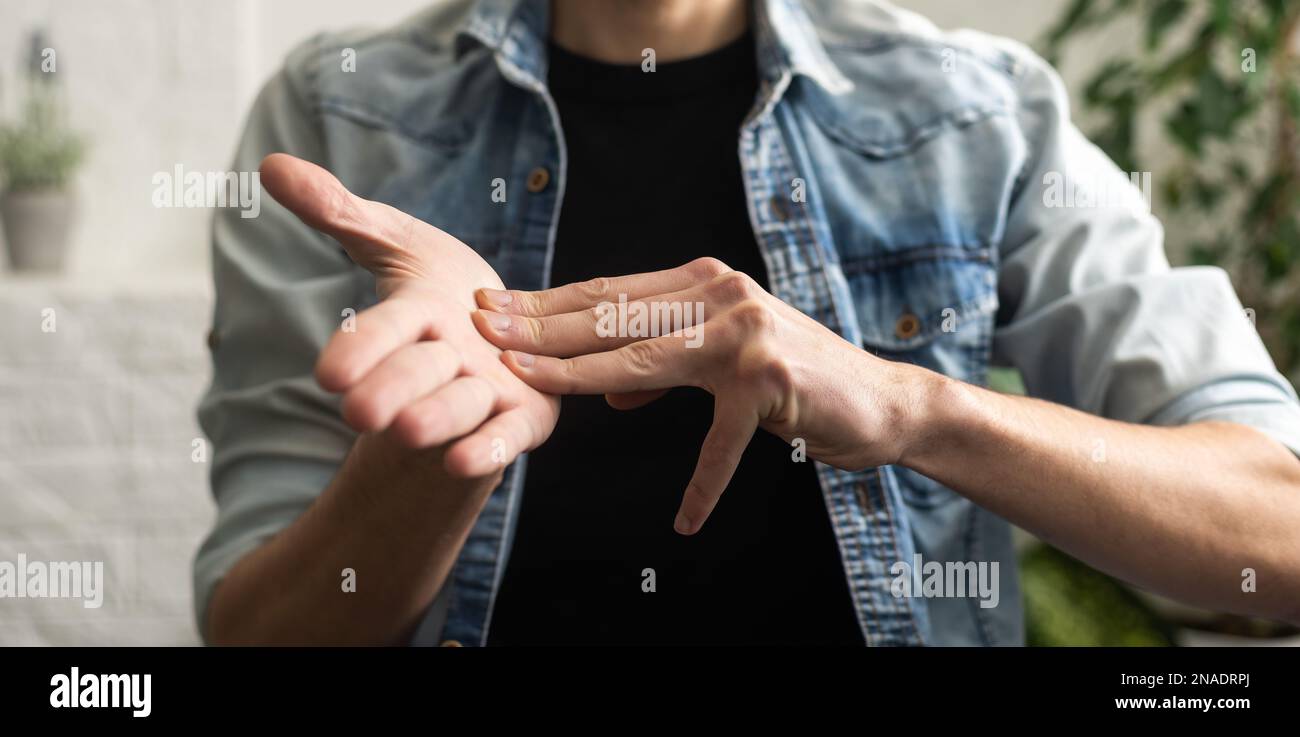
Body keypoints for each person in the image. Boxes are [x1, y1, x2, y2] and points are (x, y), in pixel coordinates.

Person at [194, 0, 1300, 646]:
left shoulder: (976, 112)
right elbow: (259, 632)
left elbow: (1275, 534)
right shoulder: (340, 110)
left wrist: (907, 405)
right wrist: (435, 443)